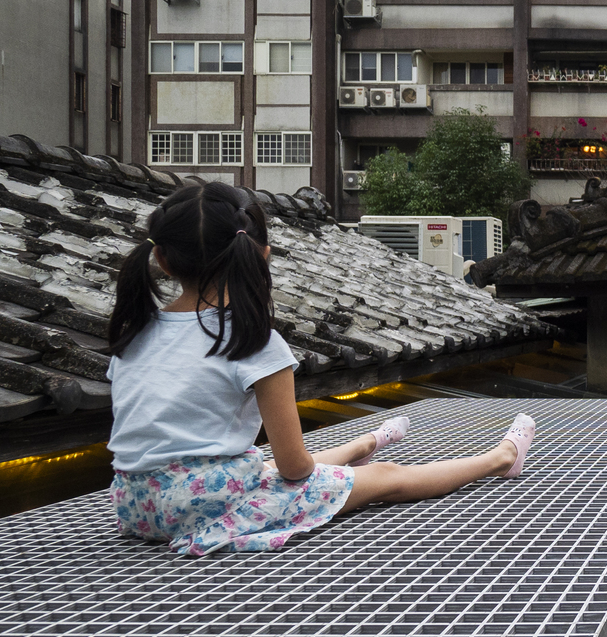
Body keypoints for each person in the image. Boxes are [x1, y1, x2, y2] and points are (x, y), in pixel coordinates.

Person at [104, 180, 534, 555]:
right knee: (386, 478)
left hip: (135, 505)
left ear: (161, 259)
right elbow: (296, 469)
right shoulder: (252, 340)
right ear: (262, 255)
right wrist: (336, 480)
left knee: (260, 467)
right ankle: (501, 458)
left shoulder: (134, 332)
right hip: (202, 507)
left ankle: (363, 443)